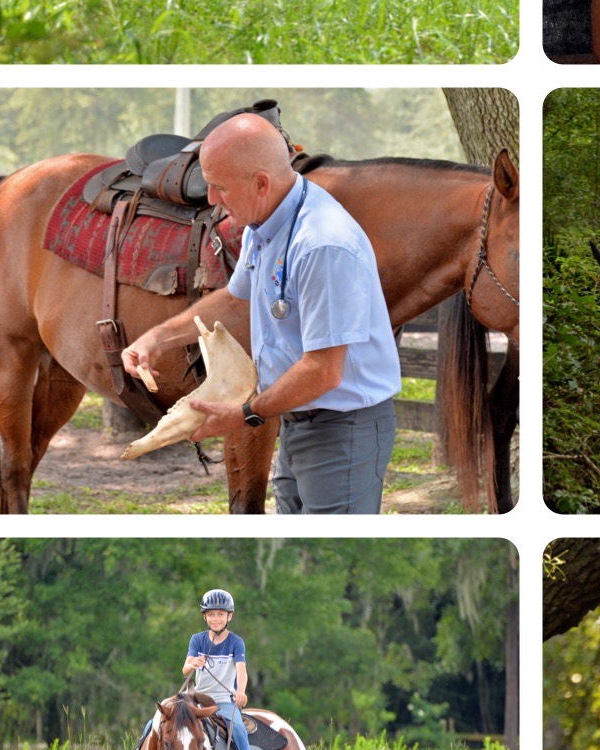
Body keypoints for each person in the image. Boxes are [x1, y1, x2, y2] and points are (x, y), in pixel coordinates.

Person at [120, 114, 401, 514]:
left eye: (218, 187)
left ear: (260, 183)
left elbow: (324, 370)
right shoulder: (263, 221)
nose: (212, 200)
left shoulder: (323, 244)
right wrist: (156, 338)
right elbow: (236, 300)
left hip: (343, 428)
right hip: (299, 417)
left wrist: (245, 414)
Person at [183, 587, 262, 750]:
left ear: (229, 616)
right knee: (162, 718)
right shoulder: (197, 640)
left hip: (224, 701)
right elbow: (184, 669)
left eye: (220, 614)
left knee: (237, 729)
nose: (215, 618)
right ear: (204, 617)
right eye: (211, 614)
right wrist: (192, 664)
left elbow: (241, 670)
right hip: (197, 697)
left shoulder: (236, 643)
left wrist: (241, 691)